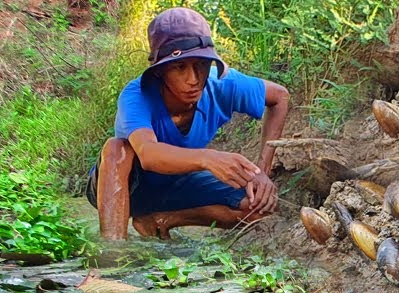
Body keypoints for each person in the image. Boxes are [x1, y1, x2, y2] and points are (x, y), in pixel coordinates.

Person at [89, 7, 289, 240]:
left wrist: (262, 172)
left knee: (261, 206)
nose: (193, 79)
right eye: (179, 67)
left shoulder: (222, 85)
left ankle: (162, 220)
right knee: (117, 149)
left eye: (201, 65)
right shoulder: (137, 95)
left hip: (179, 183)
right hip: (132, 188)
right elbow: (148, 154)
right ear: (160, 71)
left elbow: (280, 97)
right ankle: (112, 249)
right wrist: (208, 158)